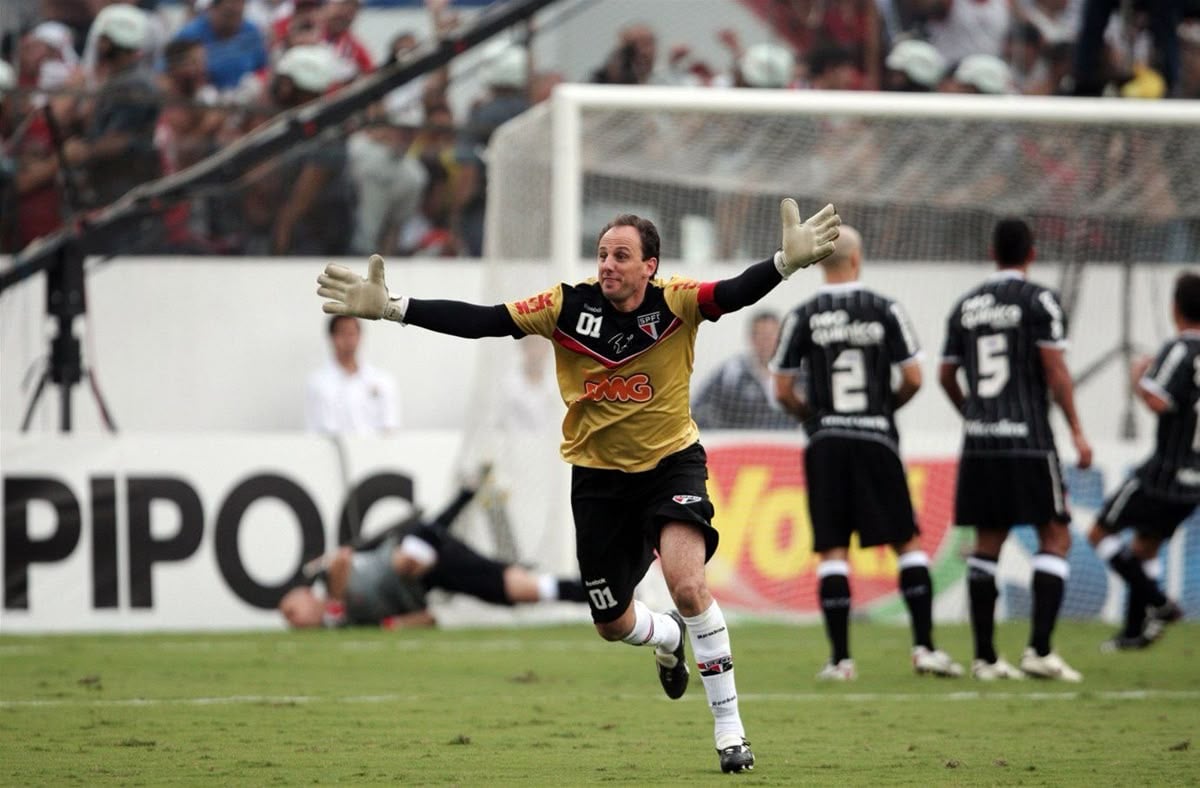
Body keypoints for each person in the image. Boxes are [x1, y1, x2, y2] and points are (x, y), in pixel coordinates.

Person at [316, 198, 843, 773]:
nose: (608, 265)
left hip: (672, 467)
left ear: (651, 266)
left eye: (621, 255)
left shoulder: (677, 303)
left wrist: (782, 264)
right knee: (611, 623)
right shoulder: (566, 306)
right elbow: (486, 320)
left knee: (689, 586)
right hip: (598, 483)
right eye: (601, 255)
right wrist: (396, 308)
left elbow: (735, 291)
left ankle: (730, 732)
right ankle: (666, 638)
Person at [770, 226, 963, 680]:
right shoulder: (885, 309)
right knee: (907, 543)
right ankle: (924, 649)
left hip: (827, 444)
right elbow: (914, 378)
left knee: (833, 550)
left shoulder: (802, 315)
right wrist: (883, 410)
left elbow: (781, 387)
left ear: (819, 263)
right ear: (858, 259)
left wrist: (811, 419)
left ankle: (840, 660)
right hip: (876, 439)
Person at [938, 217, 1092, 682]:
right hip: (1029, 442)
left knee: (986, 544)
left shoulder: (966, 306)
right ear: (1032, 253)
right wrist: (1078, 432)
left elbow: (947, 375)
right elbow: (1056, 371)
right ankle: (1039, 651)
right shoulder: (1040, 299)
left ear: (992, 252)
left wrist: (974, 413)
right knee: (1055, 537)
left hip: (981, 444)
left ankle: (985, 659)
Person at [279, 482, 588, 628]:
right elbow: (427, 619)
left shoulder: (326, 581)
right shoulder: (345, 626)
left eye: (291, 609)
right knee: (524, 590)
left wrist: (334, 597)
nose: (291, 619)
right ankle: (596, 593)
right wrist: (399, 626)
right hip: (438, 575)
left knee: (407, 561)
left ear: (306, 594)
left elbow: (343, 558)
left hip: (406, 551)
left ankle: (461, 500)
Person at [1086, 272, 1198, 651]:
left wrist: (1138, 379)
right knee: (1144, 547)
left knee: (1099, 534)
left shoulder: (1180, 349)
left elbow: (1157, 399)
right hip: (1194, 482)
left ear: (1175, 309)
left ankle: (1160, 604)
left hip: (1162, 473)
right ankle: (1135, 632)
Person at [692, 311, 793, 430]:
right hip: (741, 444)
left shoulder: (795, 374)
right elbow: (699, 407)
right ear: (751, 338)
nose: (766, 342)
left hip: (784, 444)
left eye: (771, 335)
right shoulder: (731, 373)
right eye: (761, 335)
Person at [306, 315, 399, 435]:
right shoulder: (317, 383)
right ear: (332, 337)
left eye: (352, 333)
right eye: (342, 333)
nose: (348, 340)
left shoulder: (382, 381)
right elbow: (314, 431)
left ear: (360, 336)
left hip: (374, 451)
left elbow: (390, 428)